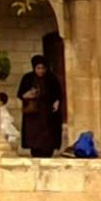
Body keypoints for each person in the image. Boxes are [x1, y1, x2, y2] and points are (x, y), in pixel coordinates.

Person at [19, 30, 66, 161]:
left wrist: (56, 102)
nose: (41, 71)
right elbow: (21, 94)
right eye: (38, 68)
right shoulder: (28, 78)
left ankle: (47, 152)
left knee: (47, 135)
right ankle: (35, 152)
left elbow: (58, 93)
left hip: (47, 113)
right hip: (33, 113)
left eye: (42, 68)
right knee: (34, 135)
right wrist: (28, 95)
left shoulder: (51, 78)